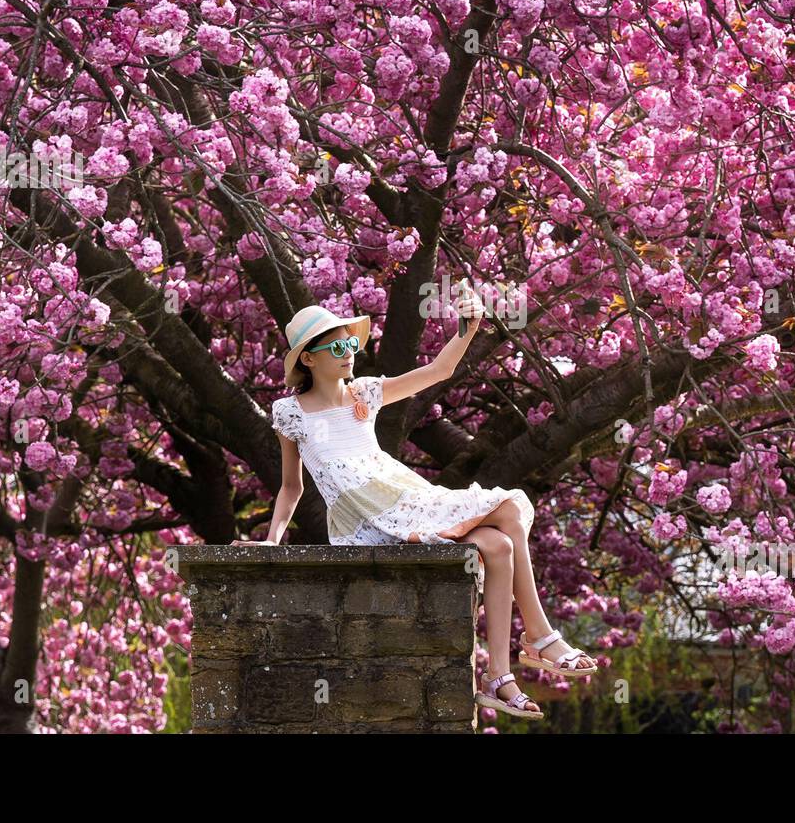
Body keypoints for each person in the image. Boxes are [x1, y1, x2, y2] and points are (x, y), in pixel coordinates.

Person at [234, 295, 599, 718]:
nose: (349, 354)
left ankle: (499, 676)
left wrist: (468, 327)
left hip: (405, 497)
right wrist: (272, 541)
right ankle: (537, 636)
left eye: (350, 345)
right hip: (366, 518)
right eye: (337, 348)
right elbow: (291, 487)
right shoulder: (290, 413)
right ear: (308, 361)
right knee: (509, 512)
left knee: (500, 546)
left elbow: (438, 371)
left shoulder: (365, 392)